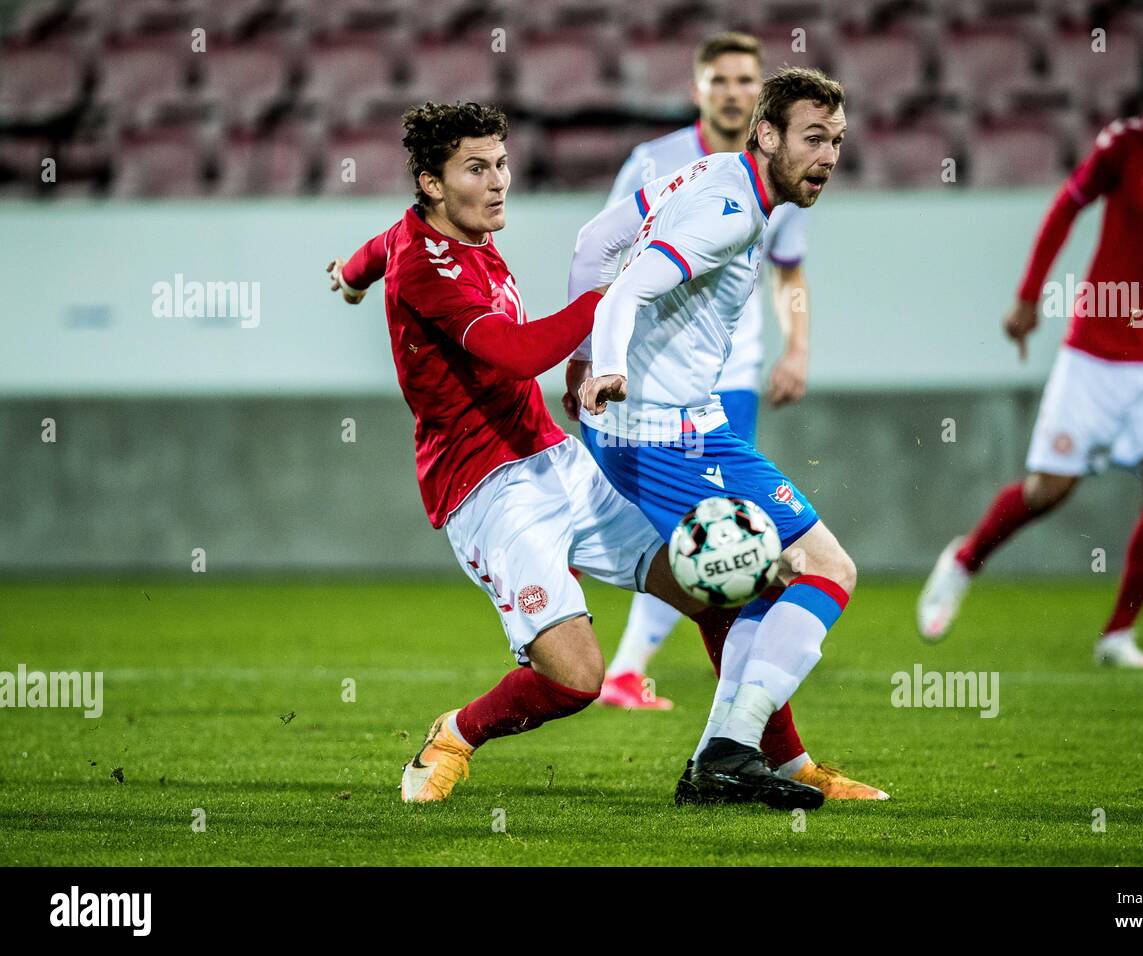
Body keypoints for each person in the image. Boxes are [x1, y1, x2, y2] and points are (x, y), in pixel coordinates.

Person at [325, 100, 714, 803]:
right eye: (477, 168)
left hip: (553, 457)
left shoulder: (430, 229)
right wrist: (610, 296)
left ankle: (756, 761)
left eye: (502, 163)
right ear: (432, 183)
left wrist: (351, 275)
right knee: (576, 681)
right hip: (488, 490)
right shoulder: (428, 266)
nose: (500, 181)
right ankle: (457, 734)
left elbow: (378, 247)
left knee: (711, 589)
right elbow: (512, 353)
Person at [568, 68, 888, 807]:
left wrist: (582, 365)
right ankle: (733, 749)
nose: (829, 156)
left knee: (754, 591)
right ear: (768, 135)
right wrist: (604, 366)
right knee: (827, 570)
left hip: (680, 427)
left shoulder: (713, 170)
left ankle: (724, 764)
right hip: (664, 439)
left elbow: (596, 238)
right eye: (813, 138)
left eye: (837, 140)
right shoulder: (734, 210)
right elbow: (627, 286)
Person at [917, 30, 1143, 668]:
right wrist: (1029, 296)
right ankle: (963, 560)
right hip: (1095, 352)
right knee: (1048, 490)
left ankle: (1117, 635)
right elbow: (1066, 207)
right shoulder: (1132, 144)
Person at [592, 32, 815, 713]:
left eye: (746, 80)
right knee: (687, 536)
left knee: (712, 535)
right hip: (644, 383)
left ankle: (631, 672)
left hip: (729, 378)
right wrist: (594, 354)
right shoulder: (653, 162)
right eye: (719, 80)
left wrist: (797, 346)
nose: (733, 91)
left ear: (760, 96)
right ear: (698, 89)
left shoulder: (775, 179)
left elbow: (788, 272)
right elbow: (607, 251)